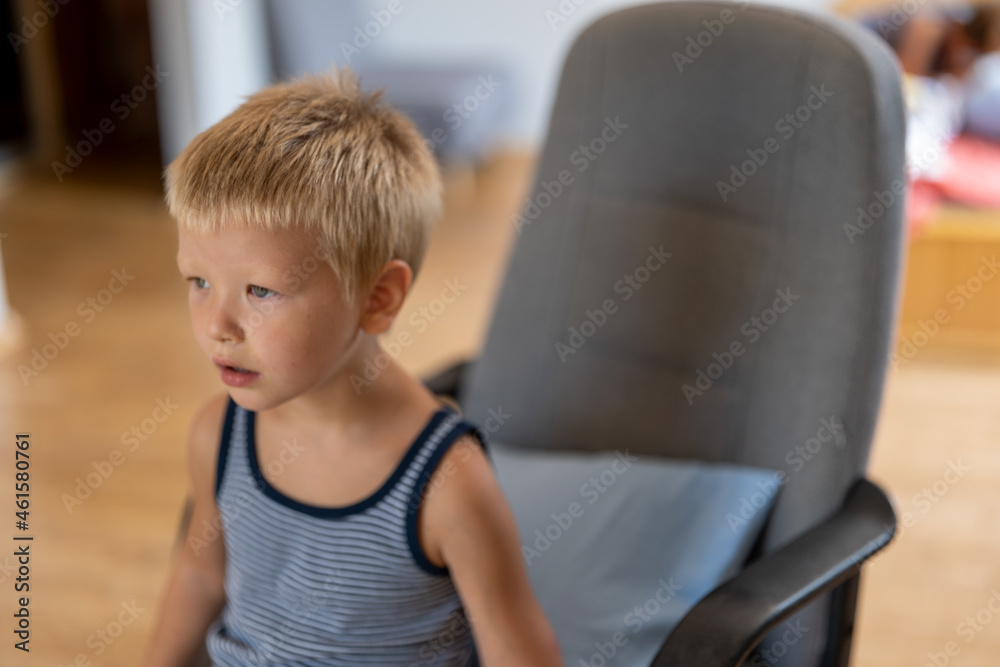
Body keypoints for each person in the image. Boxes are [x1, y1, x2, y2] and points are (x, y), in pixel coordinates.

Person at [139, 67, 563, 667]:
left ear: (378, 298)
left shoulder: (447, 485)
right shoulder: (219, 435)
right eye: (199, 281)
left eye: (260, 291)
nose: (217, 325)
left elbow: (520, 652)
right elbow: (201, 578)